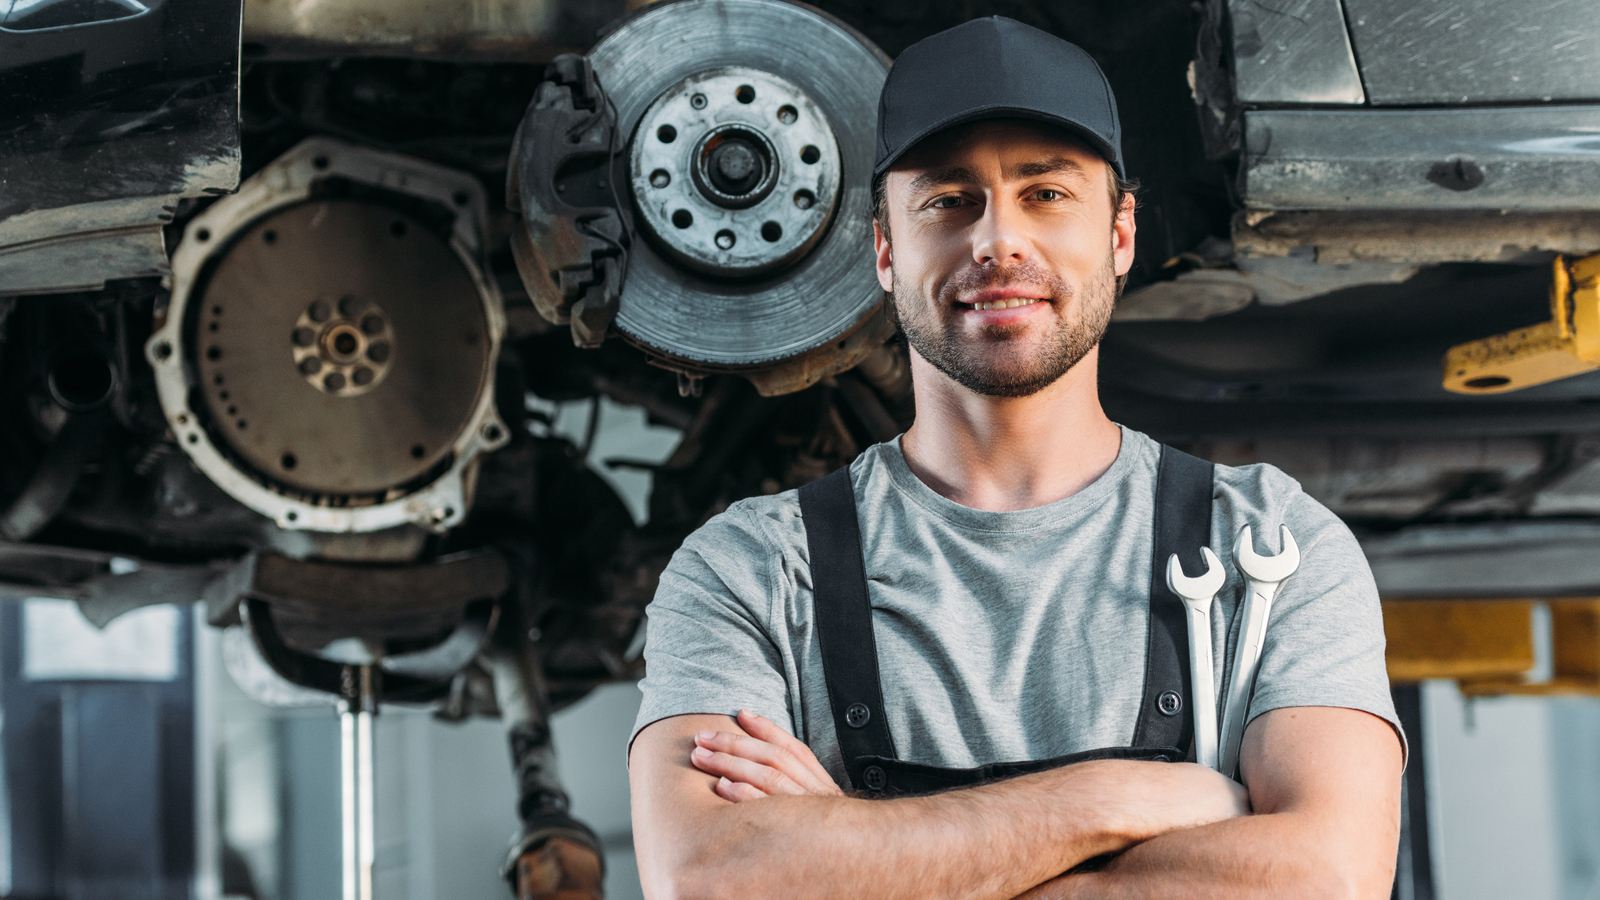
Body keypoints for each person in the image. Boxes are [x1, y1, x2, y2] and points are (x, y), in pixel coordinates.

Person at [627, 15, 1406, 899]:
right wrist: (1121, 799)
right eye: (948, 201)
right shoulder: (753, 572)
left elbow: (1327, 877)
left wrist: (852, 851)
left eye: (1046, 194)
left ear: (1120, 236)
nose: (998, 241)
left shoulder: (1272, 547)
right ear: (886, 248)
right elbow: (712, 879)